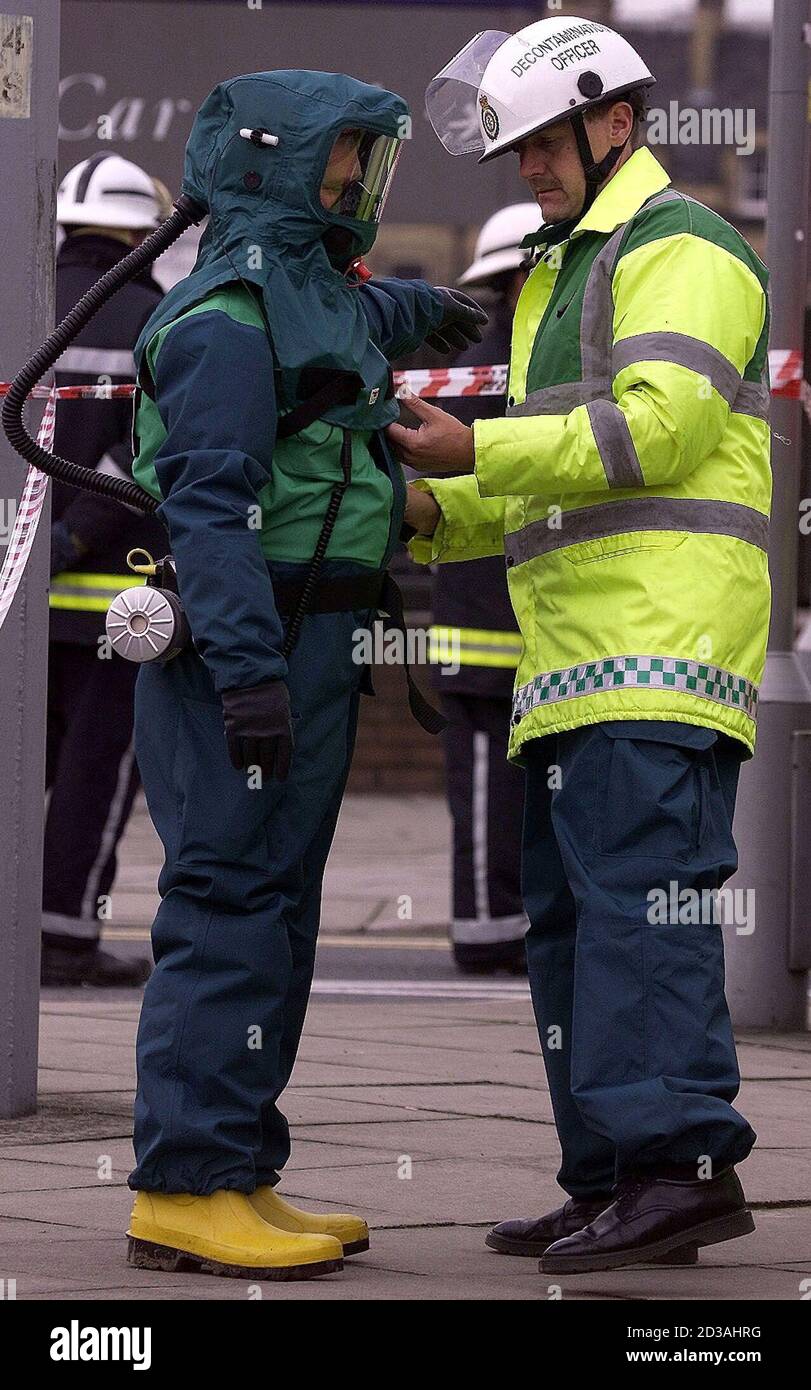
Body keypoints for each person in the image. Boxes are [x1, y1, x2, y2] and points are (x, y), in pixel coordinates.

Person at [393, 15, 770, 1273]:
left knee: (640, 921)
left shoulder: (683, 248)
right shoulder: (568, 264)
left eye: (544, 143)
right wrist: (433, 499)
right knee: (573, 932)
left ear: (618, 121)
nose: (527, 171)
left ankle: (681, 1167)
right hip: (574, 667)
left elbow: (651, 436)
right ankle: (614, 1173)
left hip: (658, 654)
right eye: (514, 151)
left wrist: (476, 448)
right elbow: (554, 475)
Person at [123, 70, 485, 1282]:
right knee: (226, 906)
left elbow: (352, 327)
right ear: (276, 165)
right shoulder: (225, 319)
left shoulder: (306, 294)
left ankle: (238, 1166)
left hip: (315, 639)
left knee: (277, 914)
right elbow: (211, 512)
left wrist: (428, 308)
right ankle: (182, 1184)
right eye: (342, 163)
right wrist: (248, 679)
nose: (360, 183)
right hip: (252, 643)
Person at [43, 155, 166, 987]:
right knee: (98, 771)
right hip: (116, 600)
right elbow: (148, 457)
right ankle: (61, 934)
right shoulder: (154, 320)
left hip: (19, 598)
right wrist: (77, 536)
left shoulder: (18, 301)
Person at [429, 204, 538, 974]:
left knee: (486, 788)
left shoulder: (462, 367)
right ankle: (488, 930)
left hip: (479, 621)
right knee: (506, 789)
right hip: (521, 625)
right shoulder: (552, 366)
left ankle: (489, 924)